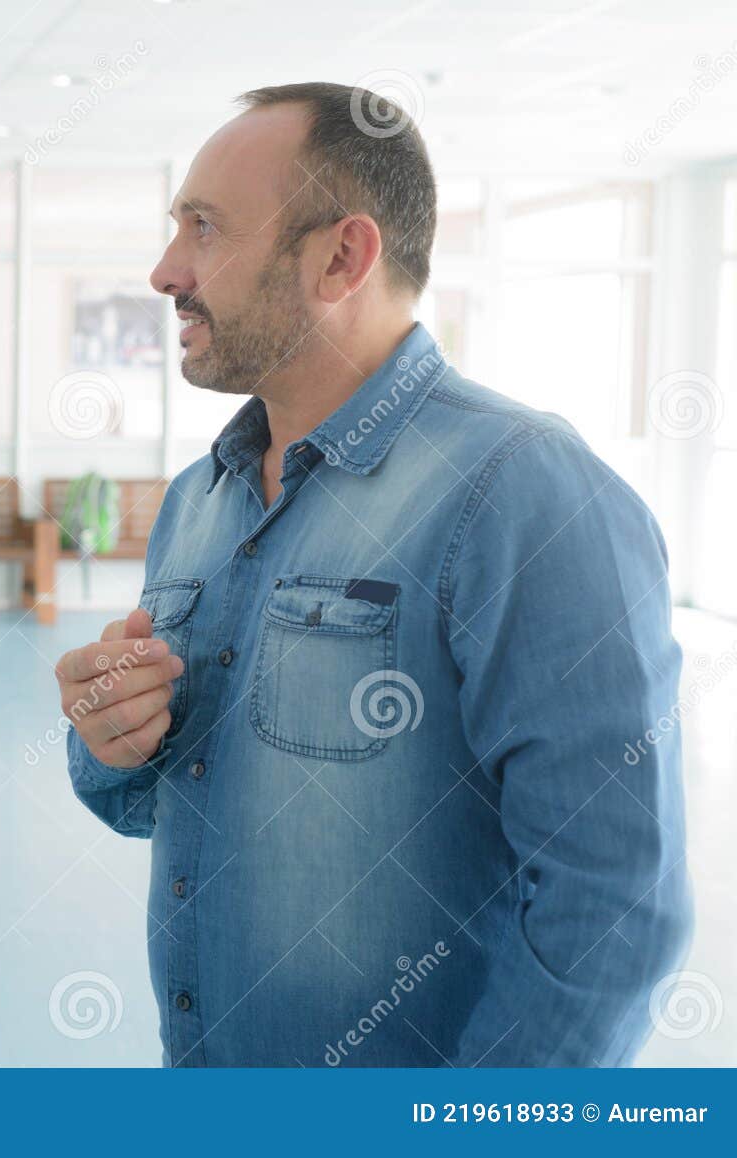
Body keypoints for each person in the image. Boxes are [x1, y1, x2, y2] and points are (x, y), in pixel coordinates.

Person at [54, 82, 691, 1067]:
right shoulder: (199, 500)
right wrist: (108, 740)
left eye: (205, 228)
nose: (164, 269)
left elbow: (613, 908)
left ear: (342, 257)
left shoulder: (524, 492)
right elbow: (153, 799)